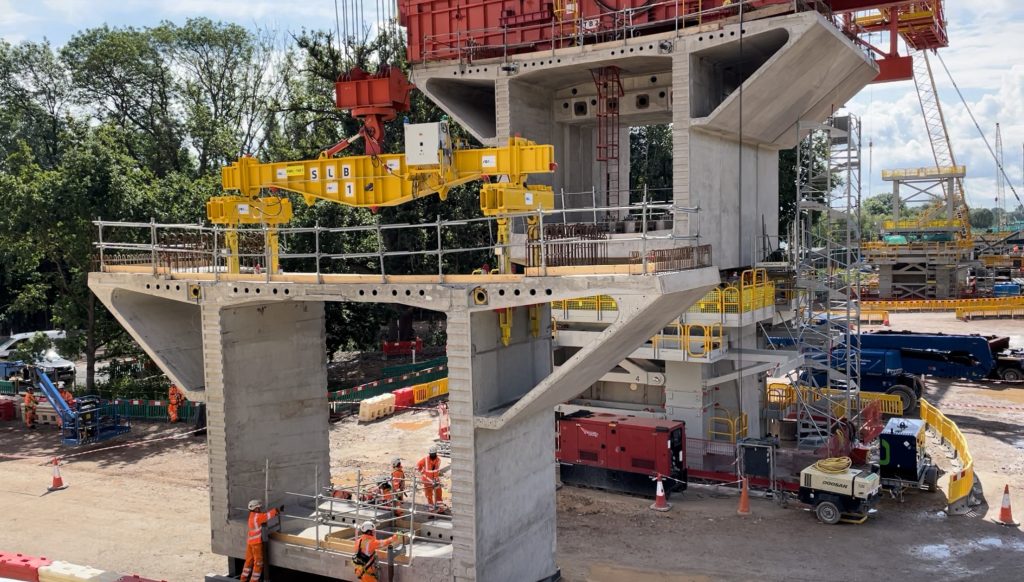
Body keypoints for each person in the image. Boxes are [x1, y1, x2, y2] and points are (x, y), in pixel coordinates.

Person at [240, 499, 282, 582]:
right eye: (258, 508)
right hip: (256, 544)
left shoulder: (252, 516)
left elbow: (263, 516)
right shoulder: (257, 517)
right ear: (255, 509)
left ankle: (243, 579)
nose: (259, 509)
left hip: (250, 543)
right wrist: (277, 510)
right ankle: (254, 581)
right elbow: (267, 516)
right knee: (258, 563)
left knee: (248, 561)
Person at [416, 445, 443, 510]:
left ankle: (440, 509)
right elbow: (418, 466)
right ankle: (431, 511)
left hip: (436, 481)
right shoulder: (425, 459)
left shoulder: (438, 460)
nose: (432, 455)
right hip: (427, 481)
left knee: (439, 494)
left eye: (433, 454)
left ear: (435, 453)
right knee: (429, 496)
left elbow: (436, 470)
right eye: (431, 454)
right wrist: (423, 472)